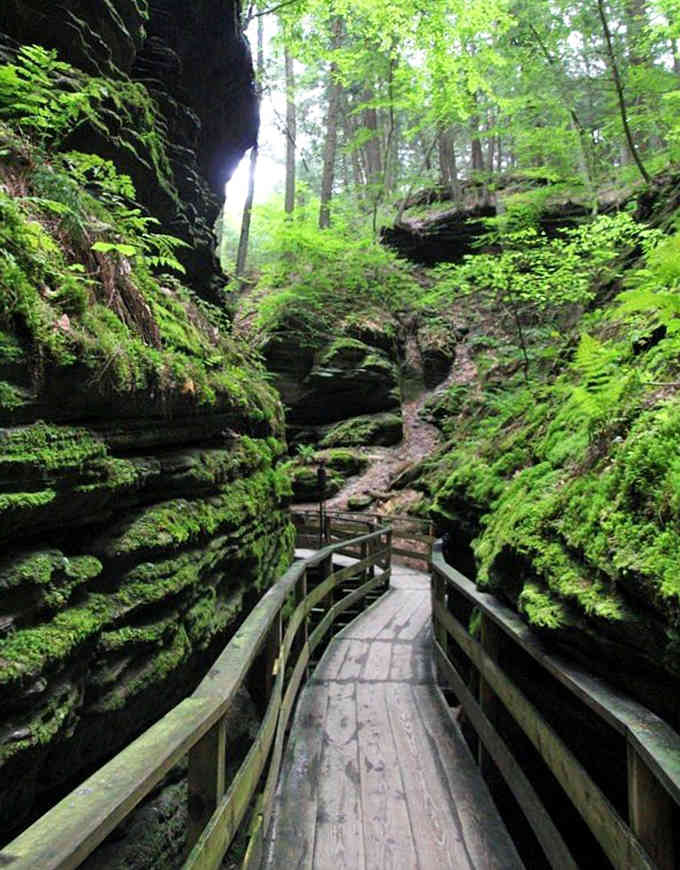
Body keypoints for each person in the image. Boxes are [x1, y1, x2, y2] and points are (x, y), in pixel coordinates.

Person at [317, 459, 327, 545]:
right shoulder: (321, 471)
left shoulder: (321, 471)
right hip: (321, 489)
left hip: (322, 489)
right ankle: (322, 540)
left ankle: (322, 538)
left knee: (323, 509)